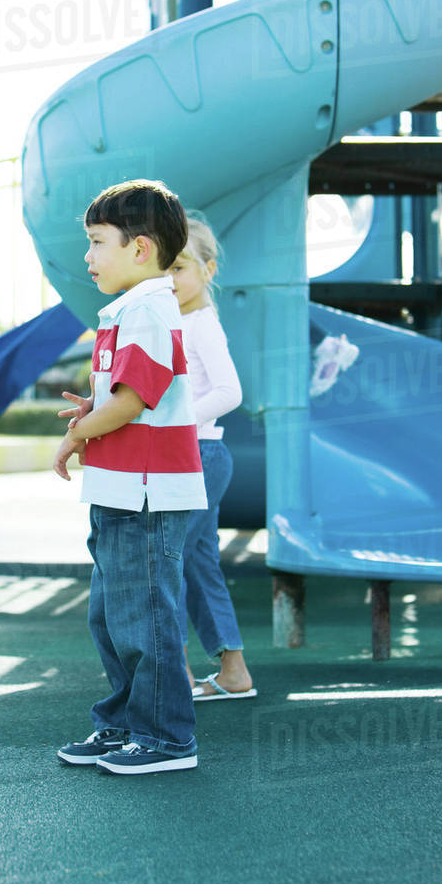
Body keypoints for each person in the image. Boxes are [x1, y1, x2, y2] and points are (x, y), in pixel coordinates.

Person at [52, 179, 207, 775]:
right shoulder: (129, 308)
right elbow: (125, 394)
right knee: (113, 617)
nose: (88, 255)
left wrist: (79, 433)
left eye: (97, 242)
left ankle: (166, 738)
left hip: (146, 493)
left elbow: (134, 400)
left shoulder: (146, 308)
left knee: (143, 617)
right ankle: (123, 724)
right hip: (122, 488)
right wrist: (94, 409)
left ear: (139, 248)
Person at [170, 217, 256, 701]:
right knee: (198, 562)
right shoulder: (178, 322)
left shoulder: (201, 324)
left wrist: (176, 423)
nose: (170, 279)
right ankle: (233, 672)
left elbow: (229, 392)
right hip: (197, 455)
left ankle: (175, 673)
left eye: (179, 267)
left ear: (208, 269)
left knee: (167, 559)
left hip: (198, 456)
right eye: (163, 269)